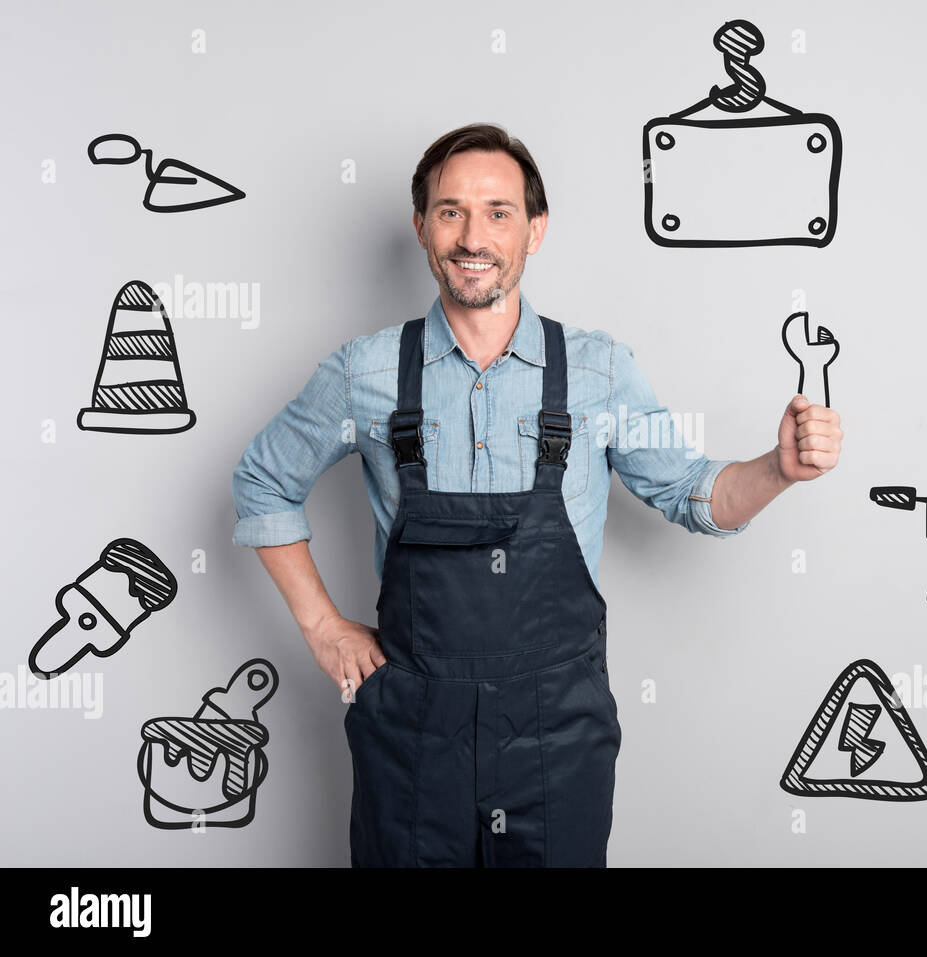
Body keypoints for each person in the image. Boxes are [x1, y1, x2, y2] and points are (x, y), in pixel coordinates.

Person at [230, 123, 843, 867]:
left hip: (559, 734)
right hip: (415, 732)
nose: (472, 236)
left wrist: (776, 468)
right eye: (450, 210)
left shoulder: (596, 371)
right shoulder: (366, 372)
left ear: (536, 230)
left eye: (498, 211)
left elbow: (695, 493)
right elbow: (263, 478)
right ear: (422, 226)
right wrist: (324, 627)